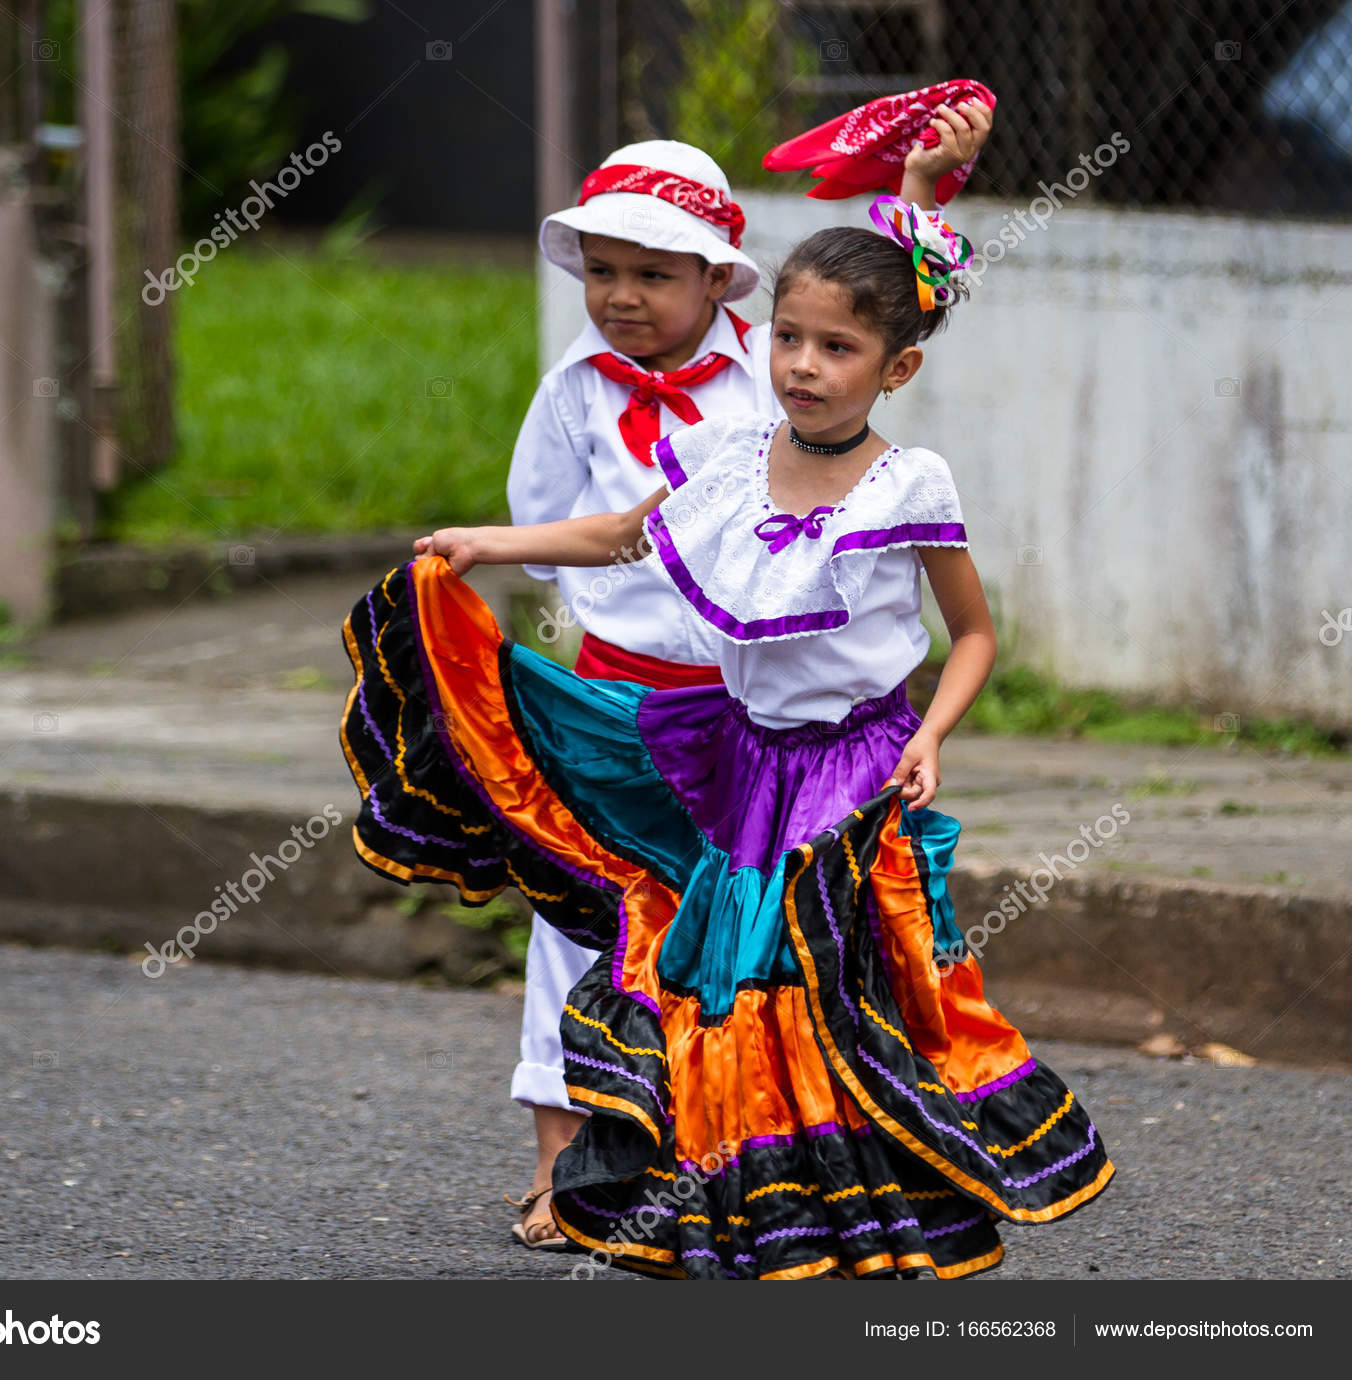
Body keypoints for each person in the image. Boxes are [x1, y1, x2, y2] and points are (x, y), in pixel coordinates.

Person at [341, 184, 1111, 1278]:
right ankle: (741, 1208)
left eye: (837, 348)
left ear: (896, 368)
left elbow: (975, 635)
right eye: (788, 337)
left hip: (848, 776)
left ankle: (849, 1206)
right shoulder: (736, 453)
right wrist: (484, 543)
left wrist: (931, 735)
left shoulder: (910, 484)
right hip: (734, 760)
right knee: (719, 985)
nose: (802, 365)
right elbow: (620, 534)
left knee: (819, 990)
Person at [500, 100, 992, 1251]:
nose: (623, 296)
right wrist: (522, 584)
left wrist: (918, 193)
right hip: (619, 692)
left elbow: (882, 302)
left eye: (653, 273)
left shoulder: (773, 377)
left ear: (718, 281)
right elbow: (560, 526)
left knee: (747, 937)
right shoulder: (573, 387)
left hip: (738, 715)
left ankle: (737, 1155)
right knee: (579, 918)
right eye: (602, 271)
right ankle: (561, 1159)